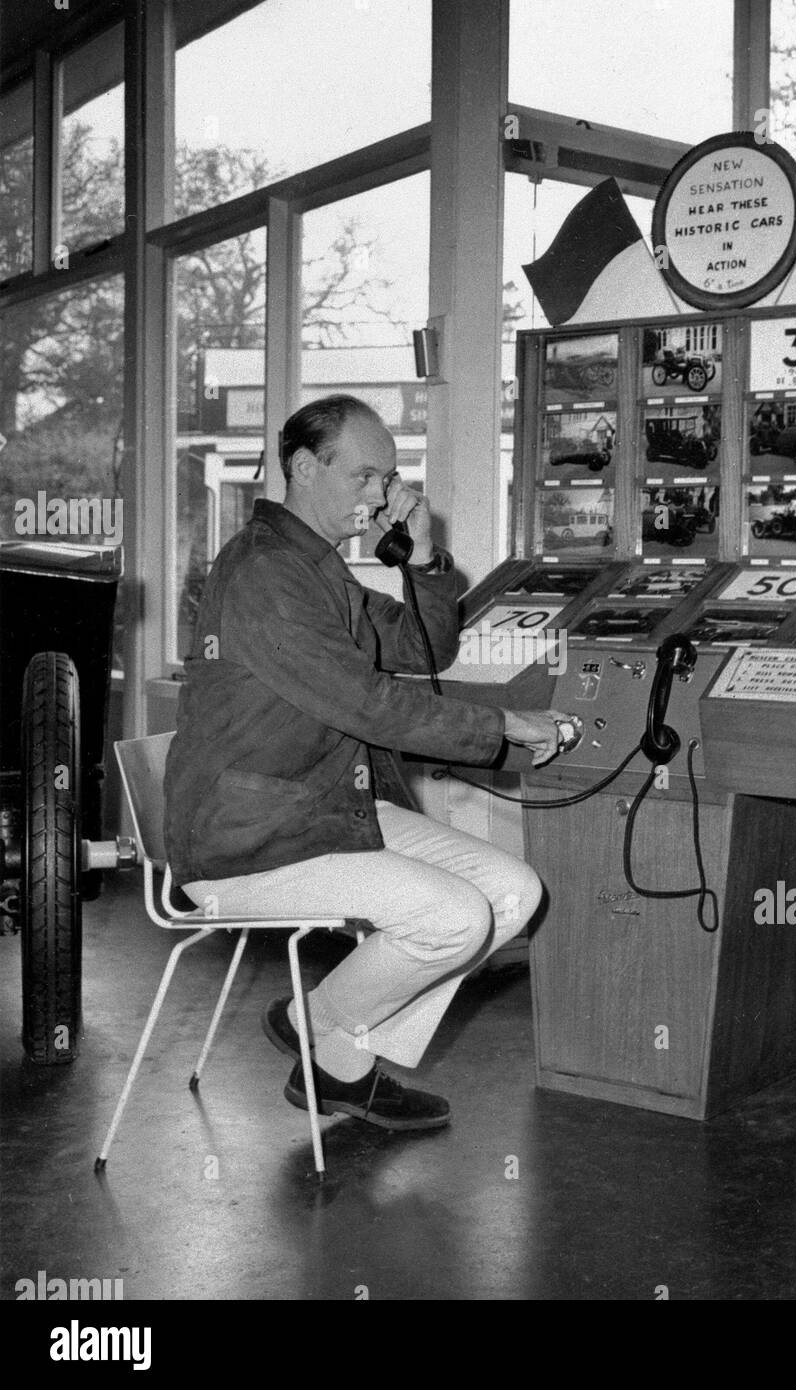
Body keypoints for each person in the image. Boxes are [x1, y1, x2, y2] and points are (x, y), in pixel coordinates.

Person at [164, 394, 569, 1132]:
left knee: (513, 892)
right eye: (366, 477)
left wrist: (425, 561)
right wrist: (504, 726)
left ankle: (334, 1057)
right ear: (302, 467)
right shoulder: (267, 574)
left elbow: (421, 650)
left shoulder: (322, 572)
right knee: (454, 917)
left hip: (318, 808)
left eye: (388, 479)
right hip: (246, 836)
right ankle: (321, 1030)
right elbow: (371, 704)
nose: (382, 496)